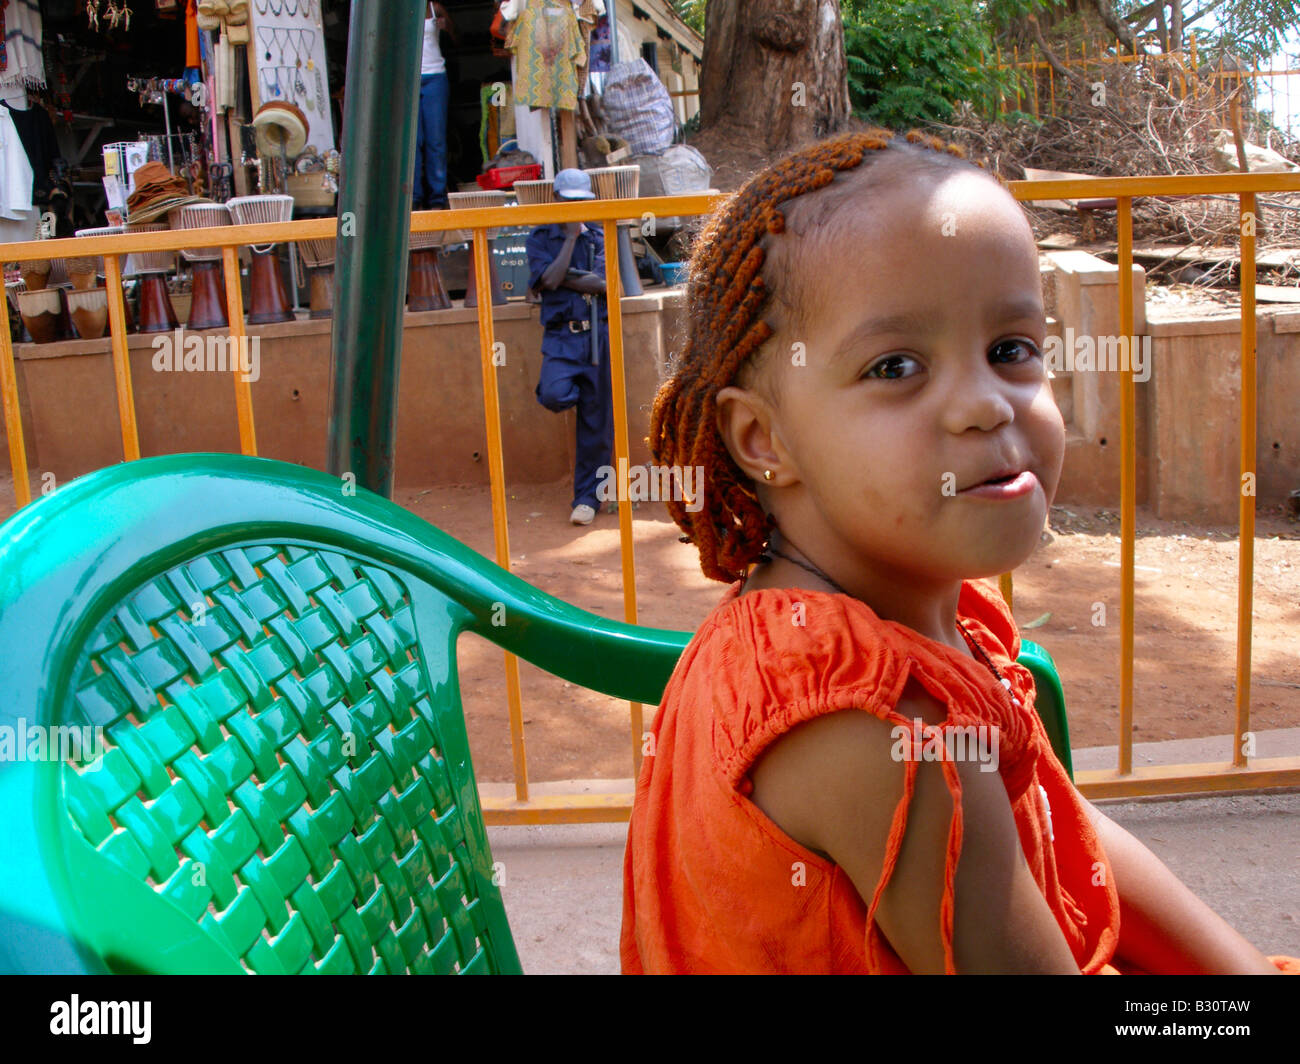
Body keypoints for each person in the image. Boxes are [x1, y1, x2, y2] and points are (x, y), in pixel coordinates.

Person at [620, 128, 1300, 975]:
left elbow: (1059, 824)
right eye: (896, 365)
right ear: (764, 439)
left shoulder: (910, 607)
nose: (985, 405)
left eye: (1011, 350)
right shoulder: (873, 724)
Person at [526, 168, 614, 526]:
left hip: (596, 334)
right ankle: (579, 395)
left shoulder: (598, 234)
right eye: (569, 202)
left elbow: (602, 283)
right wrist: (567, 245)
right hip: (562, 337)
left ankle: (587, 499)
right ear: (557, 200)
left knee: (597, 422)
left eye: (582, 202)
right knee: (553, 393)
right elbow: (544, 279)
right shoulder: (540, 237)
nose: (576, 209)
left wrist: (559, 280)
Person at [414, 1, 457, 211]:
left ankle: (437, 199)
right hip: (407, 80)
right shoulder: (395, 10)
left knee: (436, 141)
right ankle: (413, 198)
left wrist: (444, 25)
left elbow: (454, 35)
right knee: (413, 142)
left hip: (435, 77)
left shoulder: (434, 7)